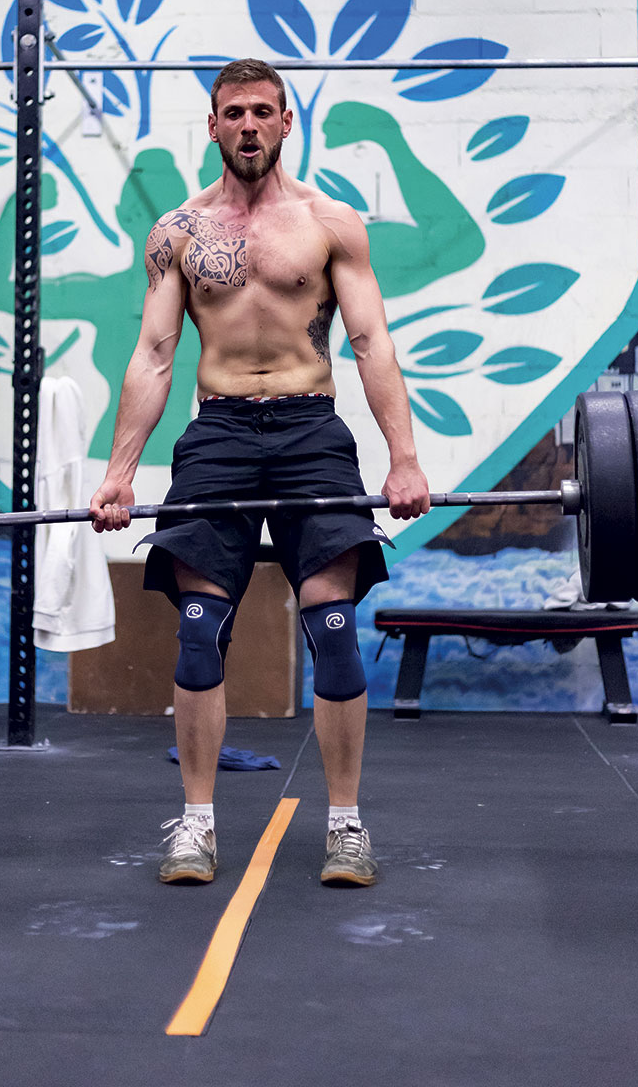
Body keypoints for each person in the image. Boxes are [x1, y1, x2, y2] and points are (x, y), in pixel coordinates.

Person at [90, 58, 431, 887]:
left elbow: (370, 342)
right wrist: (119, 474)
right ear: (212, 128)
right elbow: (156, 352)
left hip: (312, 428)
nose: (248, 125)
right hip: (220, 434)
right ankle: (197, 827)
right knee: (200, 630)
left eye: (262, 111)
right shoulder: (177, 233)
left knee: (335, 630)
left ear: (286, 122)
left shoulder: (330, 222)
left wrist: (406, 459)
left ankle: (346, 826)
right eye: (233, 112)